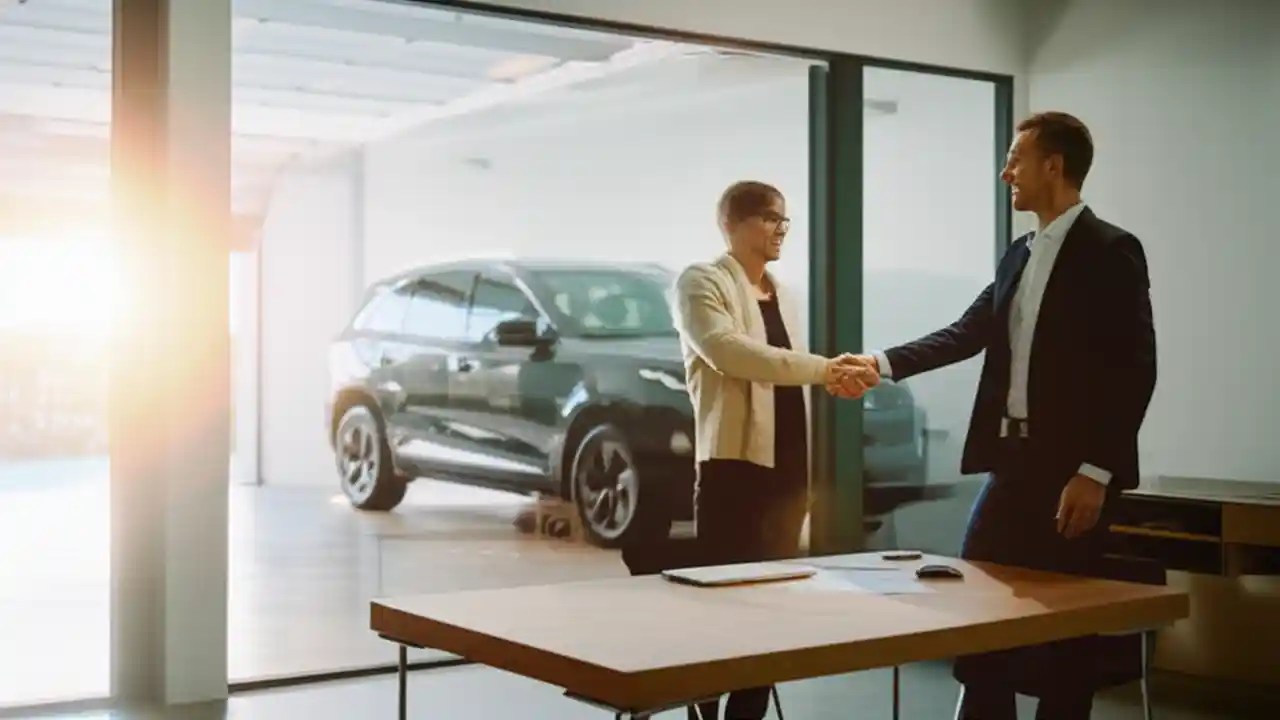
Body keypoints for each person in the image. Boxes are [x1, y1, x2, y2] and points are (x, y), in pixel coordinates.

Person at [842, 112, 1157, 719]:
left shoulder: (1111, 250)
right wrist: (876, 363)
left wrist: (1096, 471)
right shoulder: (1019, 253)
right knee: (979, 622)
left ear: (1053, 166)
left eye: (1016, 159)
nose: (1004, 171)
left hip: (1074, 472)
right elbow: (967, 332)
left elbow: (1134, 368)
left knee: (1064, 637)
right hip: (1012, 465)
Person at [672, 180, 875, 720]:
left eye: (784, 220)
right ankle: (703, 711)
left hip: (787, 472)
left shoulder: (783, 292)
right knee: (721, 607)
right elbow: (732, 354)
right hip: (732, 468)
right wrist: (825, 369)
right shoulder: (701, 282)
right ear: (730, 224)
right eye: (768, 218)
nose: (780, 230)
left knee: (769, 613)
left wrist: (832, 374)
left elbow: (782, 367)